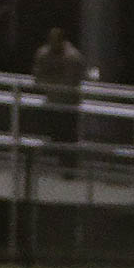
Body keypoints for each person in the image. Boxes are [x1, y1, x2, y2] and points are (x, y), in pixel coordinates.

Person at [32, 27, 85, 169]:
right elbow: (37, 79)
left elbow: (69, 82)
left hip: (68, 105)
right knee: (52, 136)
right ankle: (52, 168)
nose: (53, 43)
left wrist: (50, 81)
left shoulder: (72, 57)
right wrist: (51, 82)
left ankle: (70, 169)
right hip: (50, 103)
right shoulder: (43, 54)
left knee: (68, 138)